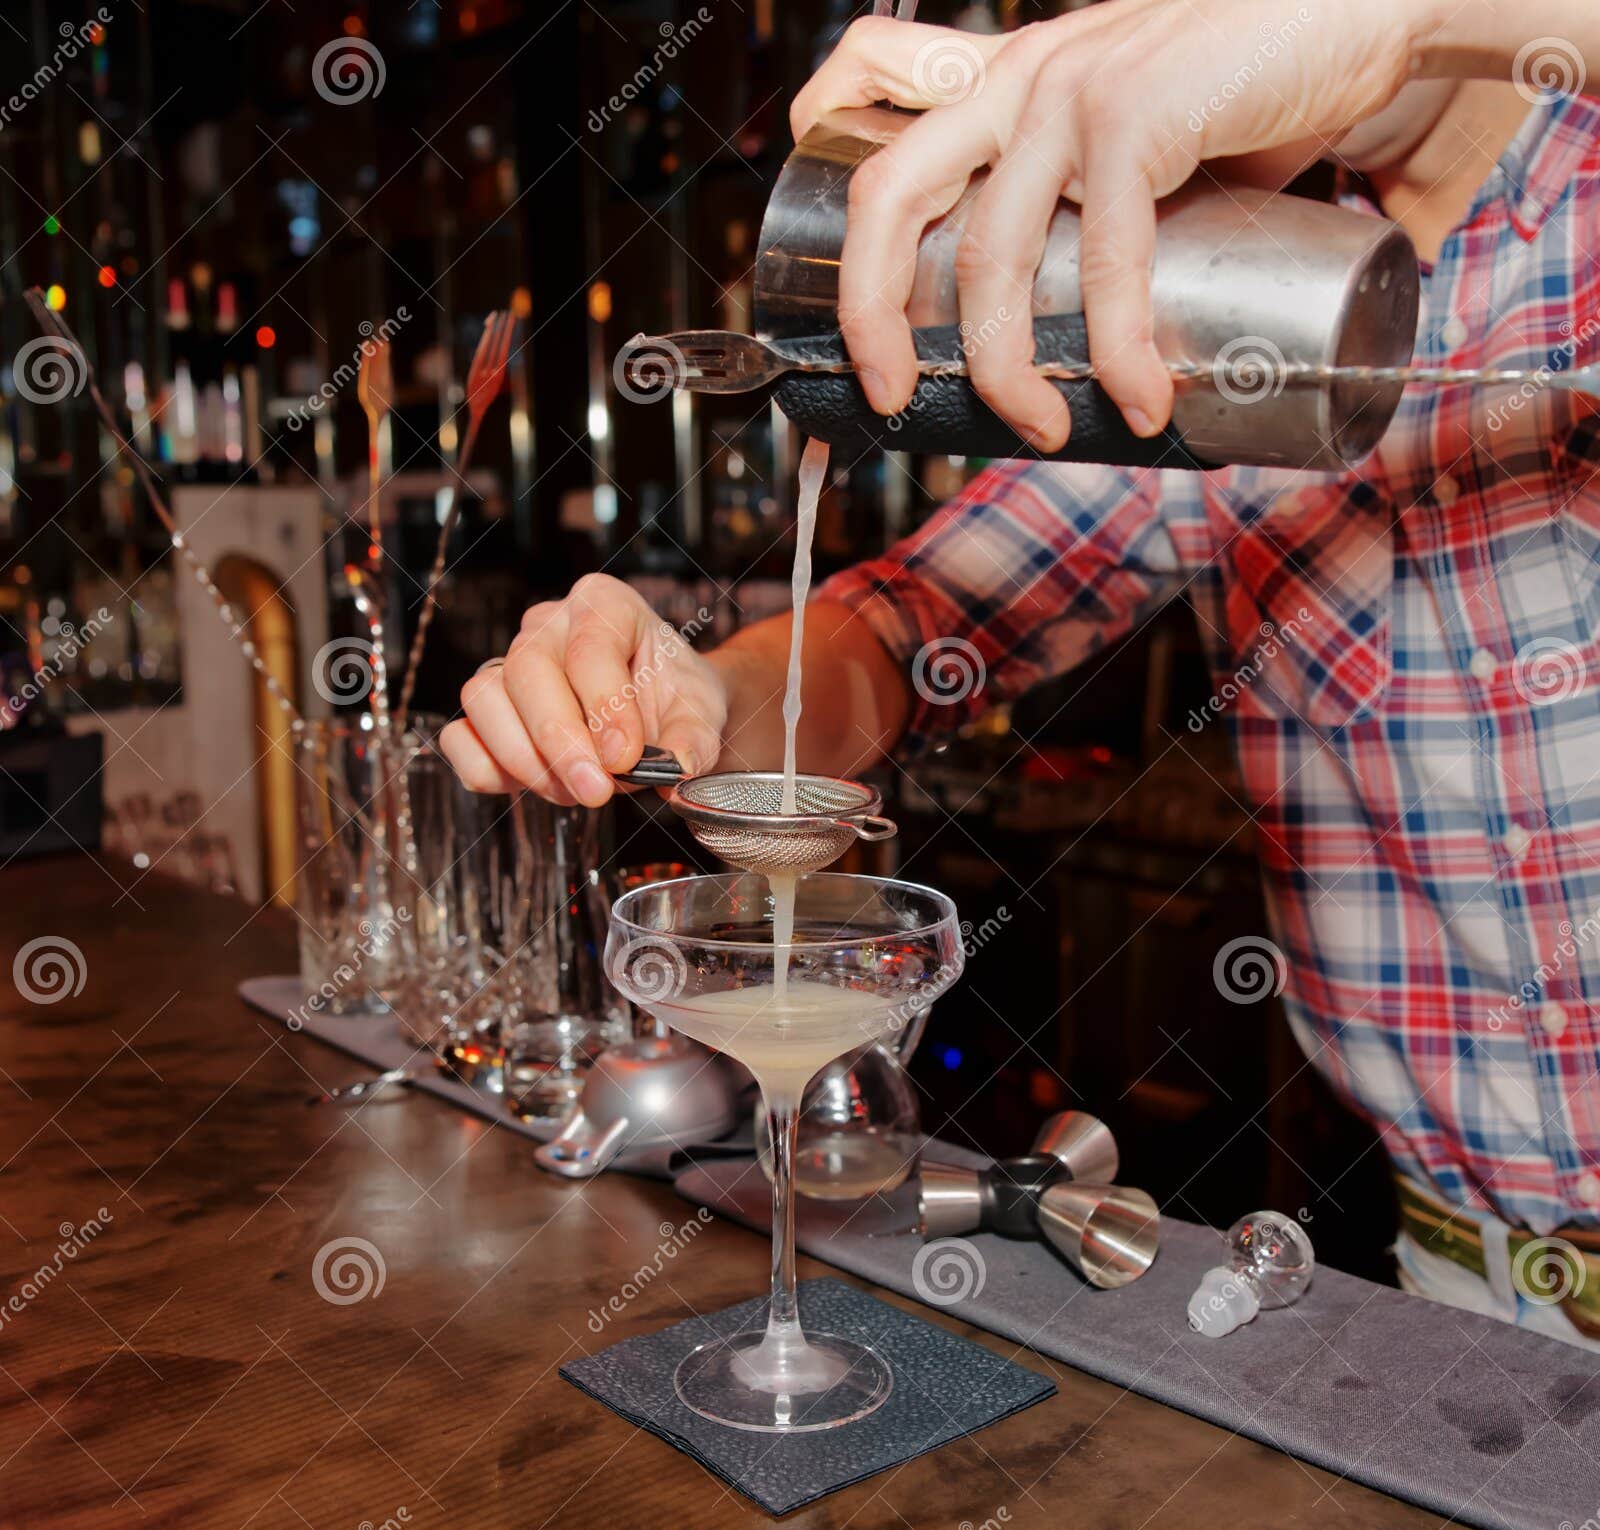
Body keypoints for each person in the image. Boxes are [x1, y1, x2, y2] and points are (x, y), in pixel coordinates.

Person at [443, 2, 1600, 1345]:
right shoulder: (1221, 298)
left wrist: (1399, 21)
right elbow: (904, 634)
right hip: (1457, 1297)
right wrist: (697, 695)